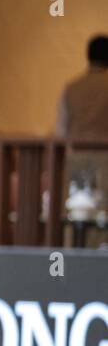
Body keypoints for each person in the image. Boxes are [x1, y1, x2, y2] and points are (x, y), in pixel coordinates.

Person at [55, 34, 108, 220]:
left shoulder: (71, 88)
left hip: (76, 159)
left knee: (75, 217)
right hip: (105, 159)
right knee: (102, 218)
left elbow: (61, 130)